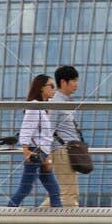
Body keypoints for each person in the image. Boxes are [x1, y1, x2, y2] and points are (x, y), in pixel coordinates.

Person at [8, 73, 62, 207]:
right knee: (25, 189)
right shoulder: (34, 106)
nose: (54, 89)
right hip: (34, 153)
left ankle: (60, 222)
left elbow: (45, 136)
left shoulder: (43, 108)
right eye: (51, 86)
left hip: (42, 154)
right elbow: (27, 129)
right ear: (41, 88)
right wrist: (26, 151)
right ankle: (5, 214)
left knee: (54, 190)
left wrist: (48, 157)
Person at [37, 64, 82, 208]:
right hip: (62, 151)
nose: (76, 84)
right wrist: (48, 154)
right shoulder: (56, 102)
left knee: (63, 193)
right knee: (69, 194)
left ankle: (33, 219)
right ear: (63, 82)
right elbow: (48, 129)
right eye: (74, 80)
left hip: (69, 151)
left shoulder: (66, 101)